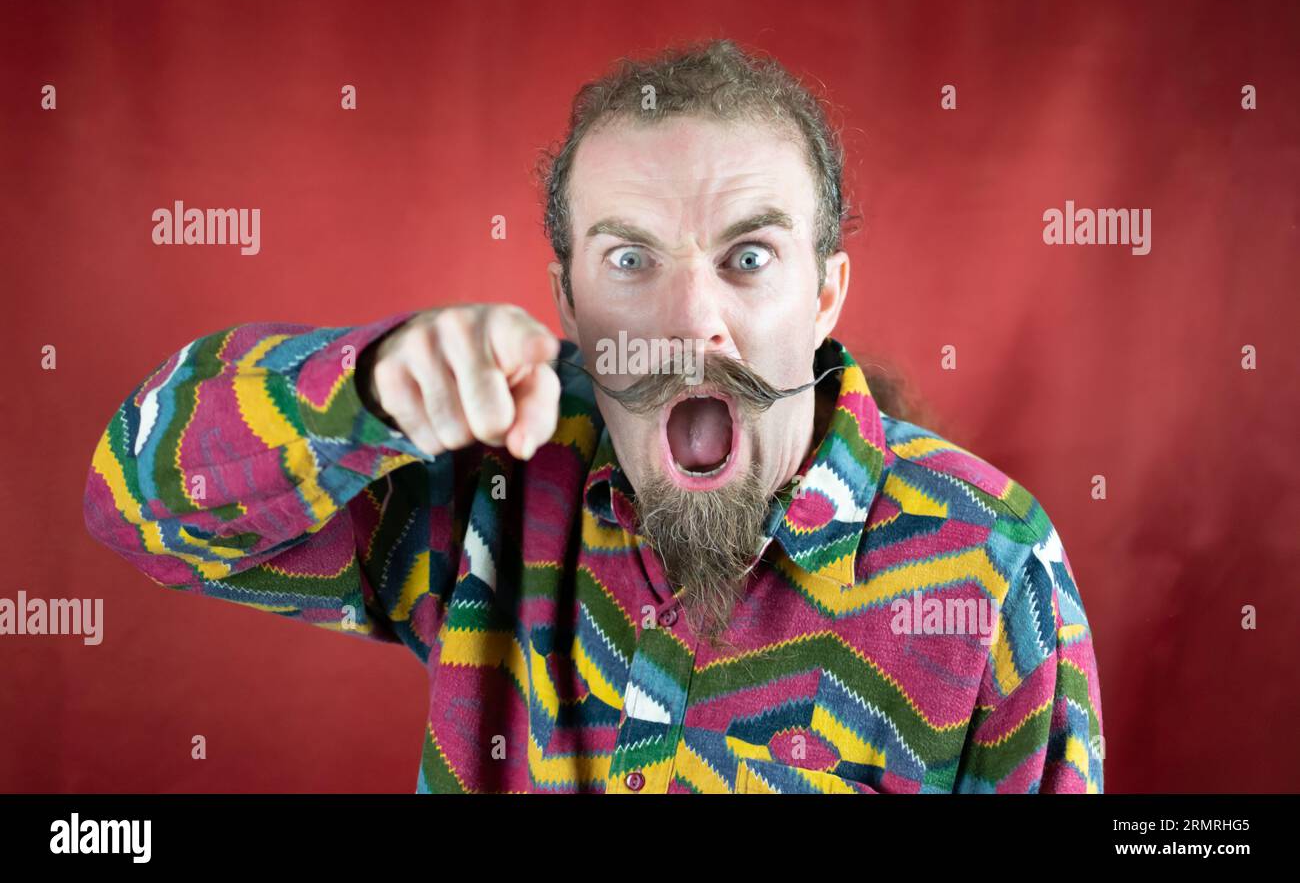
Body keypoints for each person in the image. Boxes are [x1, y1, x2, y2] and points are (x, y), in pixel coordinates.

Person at [83, 39, 1103, 793]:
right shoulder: (495, 486)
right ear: (567, 300)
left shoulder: (988, 562)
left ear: (826, 293)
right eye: (629, 259)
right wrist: (371, 390)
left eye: (748, 257)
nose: (693, 323)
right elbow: (141, 504)